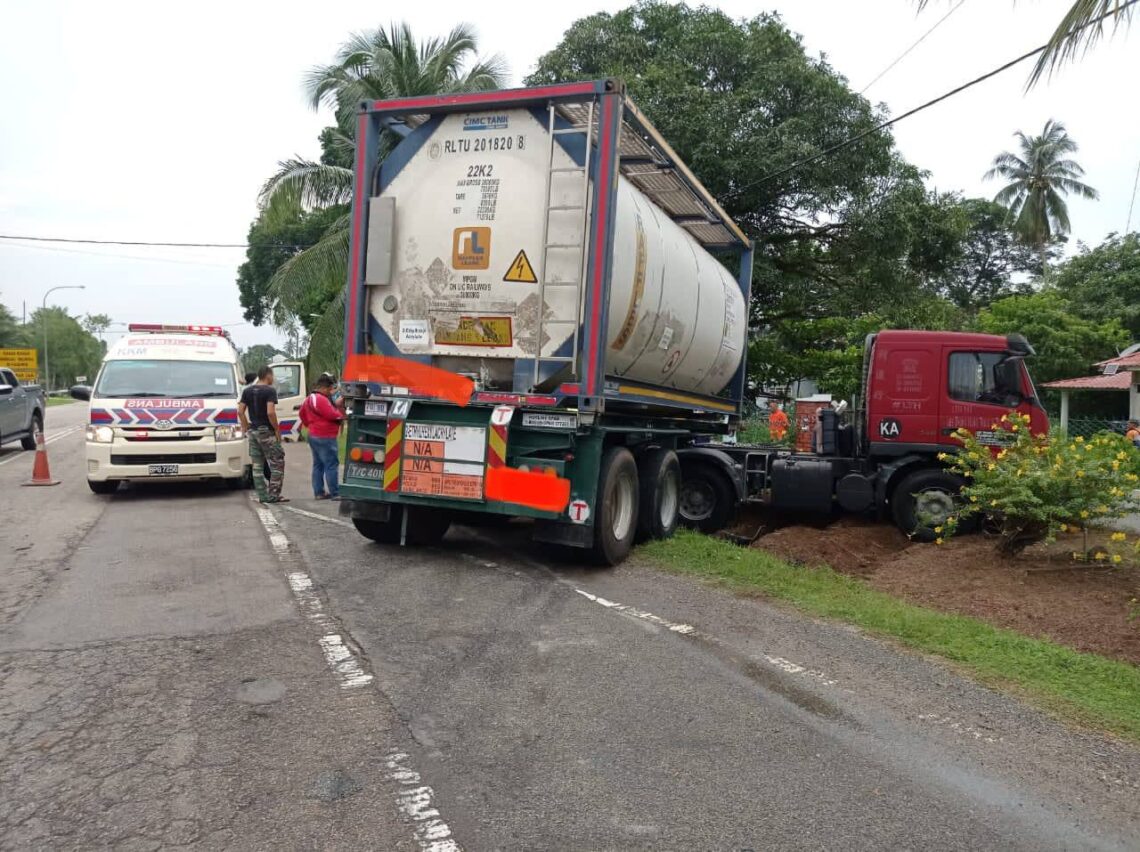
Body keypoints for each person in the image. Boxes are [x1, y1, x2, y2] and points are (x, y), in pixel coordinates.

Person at [238, 366, 288, 503]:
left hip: (253, 432)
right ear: (268, 375)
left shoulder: (247, 391)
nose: (273, 379)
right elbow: (270, 412)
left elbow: (240, 411)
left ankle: (263, 495)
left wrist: (245, 425)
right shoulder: (270, 391)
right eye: (272, 376)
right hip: (266, 432)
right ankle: (273, 495)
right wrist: (277, 429)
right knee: (277, 462)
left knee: (257, 465)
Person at [299, 375, 344, 500]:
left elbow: (301, 413)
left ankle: (319, 492)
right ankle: (335, 493)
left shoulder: (309, 399)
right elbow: (332, 415)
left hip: (313, 434)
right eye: (330, 389)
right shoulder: (322, 399)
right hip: (325, 436)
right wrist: (340, 415)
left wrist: (309, 424)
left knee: (318, 464)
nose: (330, 392)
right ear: (324, 388)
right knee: (331, 464)